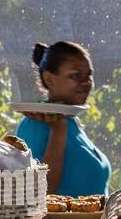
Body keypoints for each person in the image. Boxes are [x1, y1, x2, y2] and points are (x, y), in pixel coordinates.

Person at [16, 41, 111, 197]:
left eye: (89, 75)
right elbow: (38, 193)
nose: (86, 82)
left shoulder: (71, 122)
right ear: (49, 79)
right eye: (76, 75)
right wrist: (58, 129)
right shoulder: (35, 125)